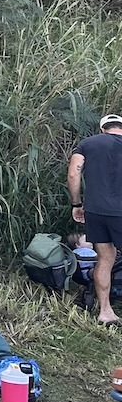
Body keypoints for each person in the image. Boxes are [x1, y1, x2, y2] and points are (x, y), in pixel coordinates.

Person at [69, 113, 122, 326]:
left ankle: (105, 312)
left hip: (95, 210)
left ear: (103, 129)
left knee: (105, 258)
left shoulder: (87, 144)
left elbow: (74, 174)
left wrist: (76, 204)